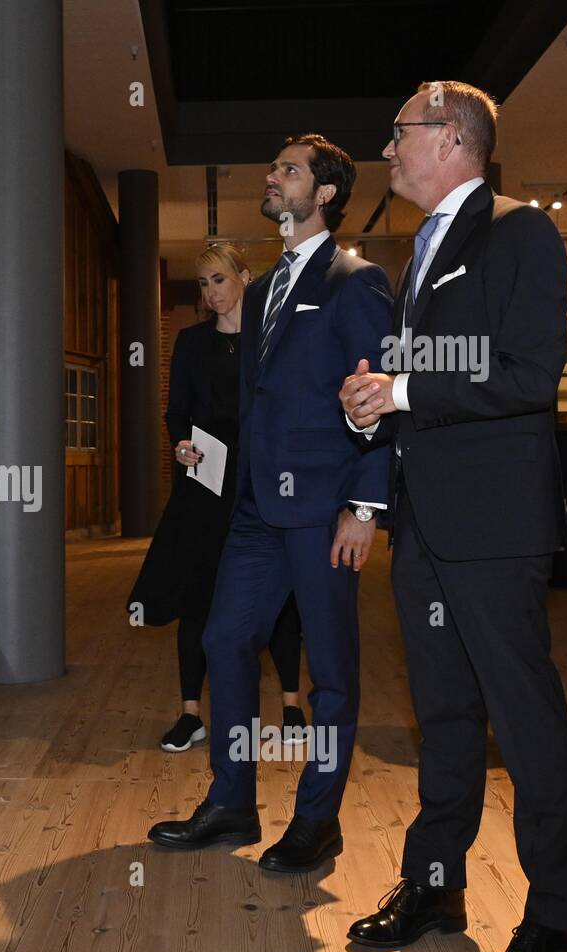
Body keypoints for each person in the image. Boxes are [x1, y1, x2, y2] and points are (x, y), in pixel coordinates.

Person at [340, 81, 567, 952]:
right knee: (445, 718)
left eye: (399, 131)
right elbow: (430, 392)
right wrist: (377, 408)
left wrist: (404, 391)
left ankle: (555, 923)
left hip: (493, 529)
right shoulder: (421, 251)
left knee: (526, 728)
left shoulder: (520, 231)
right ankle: (436, 884)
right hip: (427, 528)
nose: (390, 147)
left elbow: (528, 374)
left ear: (450, 139)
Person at [149, 134, 392, 871]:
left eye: (288, 169)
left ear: (323, 193)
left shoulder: (358, 281)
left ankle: (318, 820)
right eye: (274, 166)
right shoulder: (262, 293)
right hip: (256, 508)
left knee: (332, 673)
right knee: (225, 639)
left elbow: (377, 396)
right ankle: (231, 803)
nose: (272, 175)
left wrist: (366, 504)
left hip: (324, 510)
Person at [127, 245, 307, 754]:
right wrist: (180, 442)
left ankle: (292, 704)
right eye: (202, 284)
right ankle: (191, 715)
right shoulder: (189, 342)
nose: (210, 293)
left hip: (264, 481)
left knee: (279, 595)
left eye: (218, 280)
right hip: (205, 483)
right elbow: (176, 411)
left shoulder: (272, 340)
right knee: (196, 595)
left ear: (245, 278)